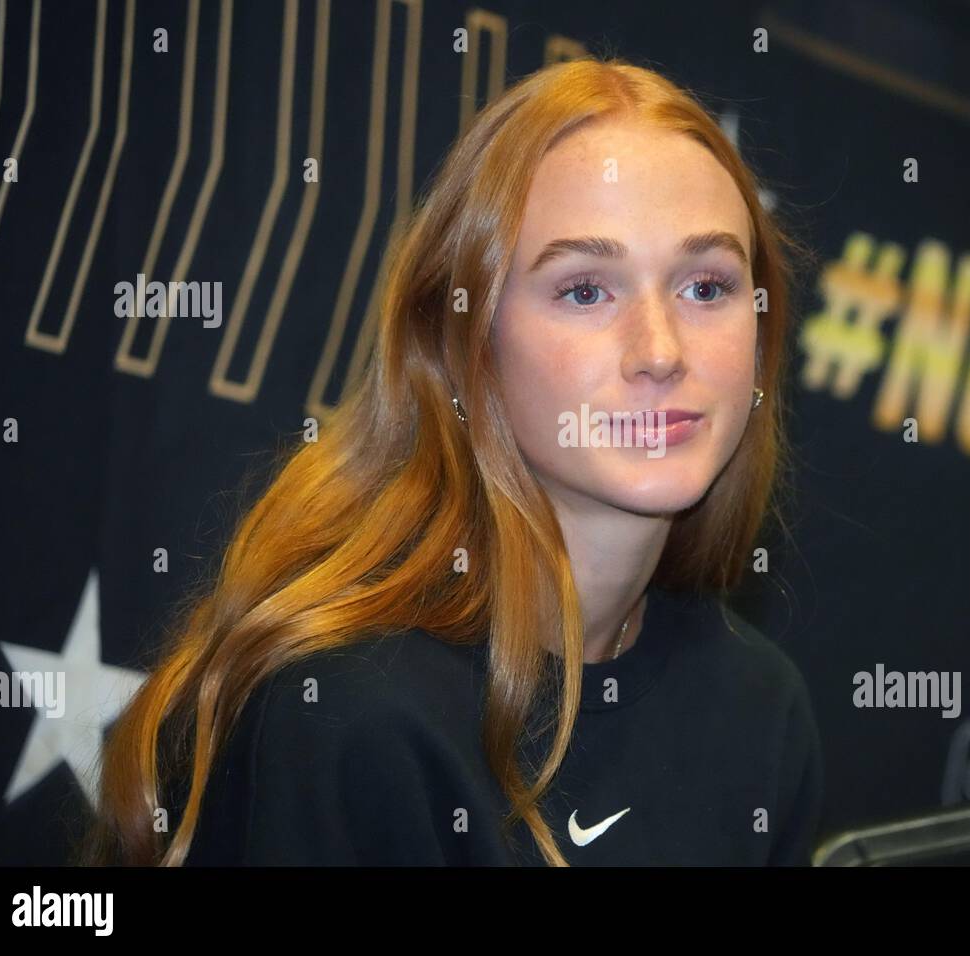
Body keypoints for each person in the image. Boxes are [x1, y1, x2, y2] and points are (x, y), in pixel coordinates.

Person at [80, 55, 824, 866]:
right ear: (465, 343)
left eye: (707, 286)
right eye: (585, 290)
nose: (660, 351)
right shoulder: (349, 708)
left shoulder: (761, 709)